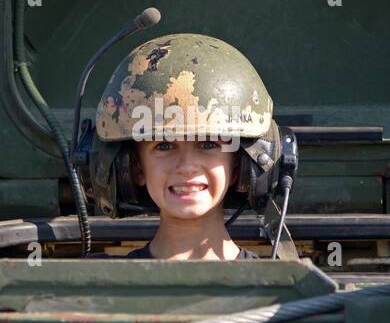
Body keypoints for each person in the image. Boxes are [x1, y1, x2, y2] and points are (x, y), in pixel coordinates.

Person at [89, 33, 281, 260]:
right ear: (135, 168)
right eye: (164, 146)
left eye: (208, 144)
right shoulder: (108, 286)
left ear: (238, 168)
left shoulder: (279, 287)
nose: (187, 166)